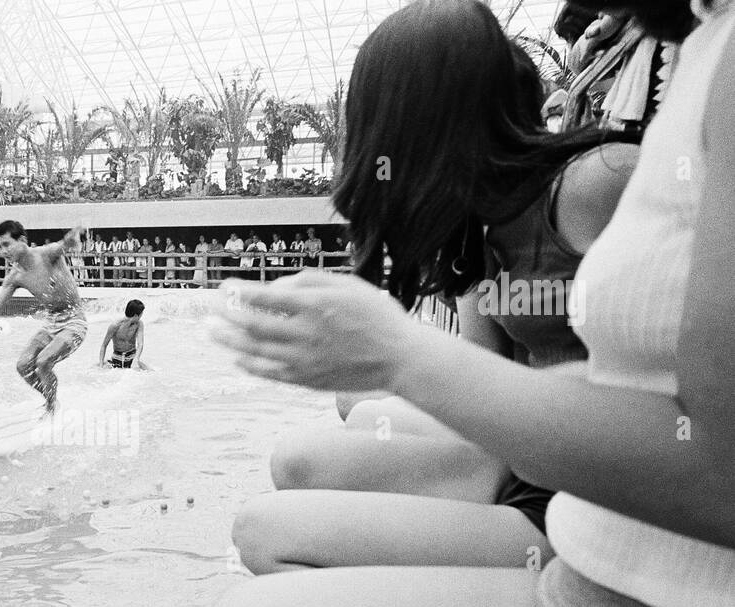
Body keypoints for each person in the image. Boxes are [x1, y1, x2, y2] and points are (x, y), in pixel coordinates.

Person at [174, 0, 732, 607]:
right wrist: (383, 362)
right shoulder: (693, 70)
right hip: (584, 561)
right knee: (271, 540)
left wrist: (398, 356)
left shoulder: (590, 187)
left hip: (616, 597)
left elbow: (697, 443)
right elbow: (587, 376)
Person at [235, 21, 641, 577]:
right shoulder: (477, 227)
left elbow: (673, 387)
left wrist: (396, 355)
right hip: (527, 460)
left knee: (264, 533)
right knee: (298, 459)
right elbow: (484, 378)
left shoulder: (595, 186)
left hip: (592, 495)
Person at [0, 220, 88, 413]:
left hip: (74, 321)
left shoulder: (47, 254)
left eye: (7, 244)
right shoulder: (15, 276)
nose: (3, 251)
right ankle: (52, 401)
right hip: (51, 323)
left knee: (43, 361)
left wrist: (73, 237)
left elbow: (64, 244)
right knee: (23, 366)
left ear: (22, 240)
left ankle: (51, 409)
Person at [98, 299, 149, 370]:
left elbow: (140, 344)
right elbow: (104, 345)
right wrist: (101, 365)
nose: (142, 315)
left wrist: (136, 360)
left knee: (152, 372)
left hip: (132, 358)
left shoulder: (139, 324)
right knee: (95, 370)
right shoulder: (115, 326)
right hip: (116, 360)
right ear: (135, 315)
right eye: (141, 313)